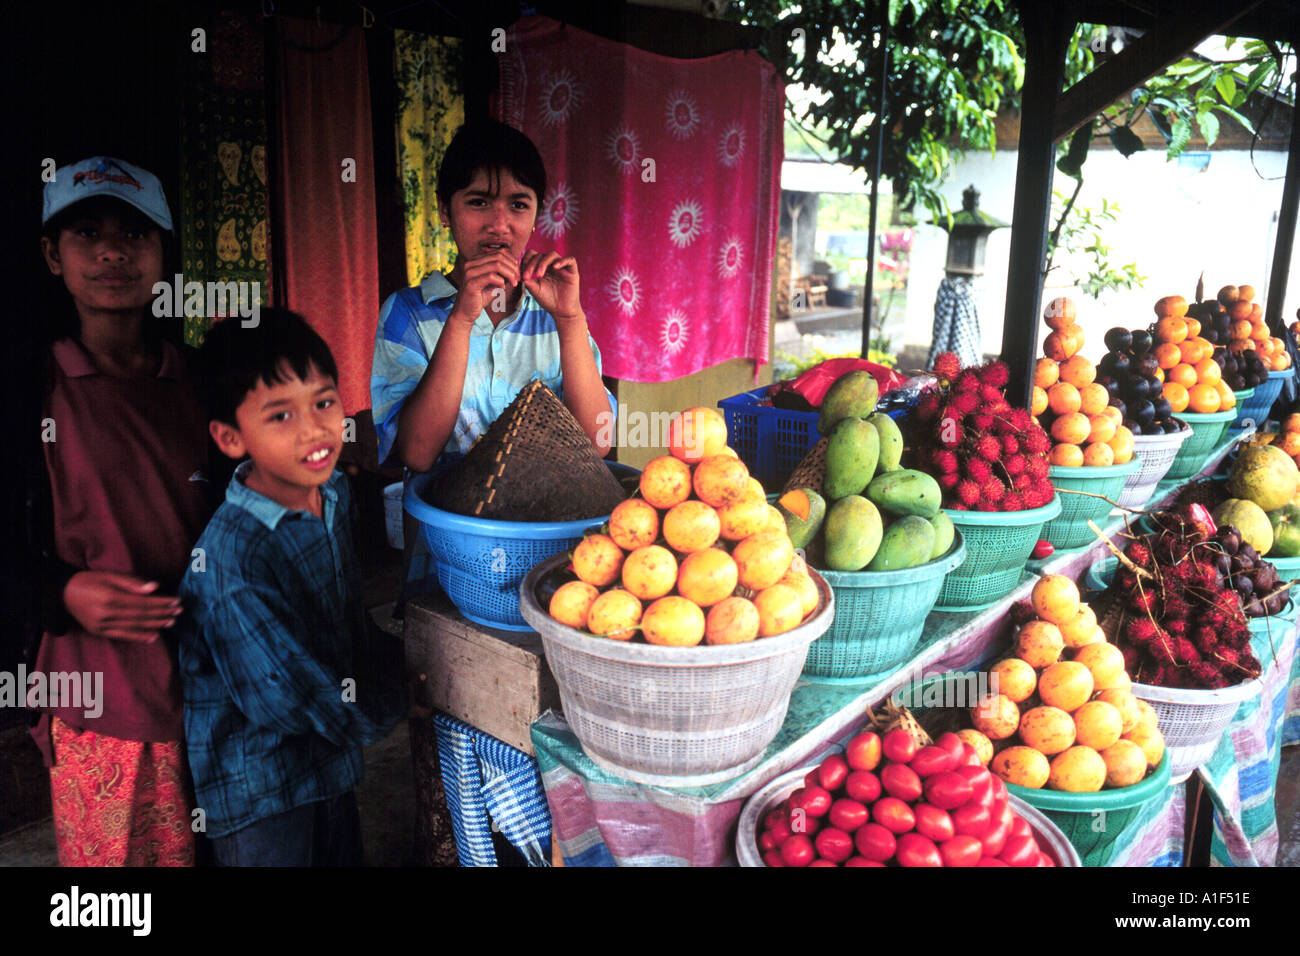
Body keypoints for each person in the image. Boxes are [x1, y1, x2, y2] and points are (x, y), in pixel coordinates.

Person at [31, 156, 212, 866]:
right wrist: (62, 591)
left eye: (136, 234)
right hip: (98, 698)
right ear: (53, 254)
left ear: (165, 252)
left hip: (210, 678)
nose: (112, 250)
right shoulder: (32, 385)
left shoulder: (199, 379)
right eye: (87, 232)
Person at [177, 309, 406, 866]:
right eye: (280, 415)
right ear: (231, 438)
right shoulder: (232, 559)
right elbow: (290, 696)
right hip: (258, 787)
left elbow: (350, 617)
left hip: (327, 761)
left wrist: (394, 663)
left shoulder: (333, 498)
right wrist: (400, 700)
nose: (313, 430)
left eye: (324, 403)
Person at [371, 120, 617, 601]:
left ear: (536, 216)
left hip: (551, 548)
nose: (499, 225)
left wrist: (570, 320)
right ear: (445, 209)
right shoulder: (408, 315)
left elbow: (599, 443)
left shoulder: (557, 314)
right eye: (478, 202)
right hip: (446, 553)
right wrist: (461, 319)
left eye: (518, 205)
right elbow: (418, 454)